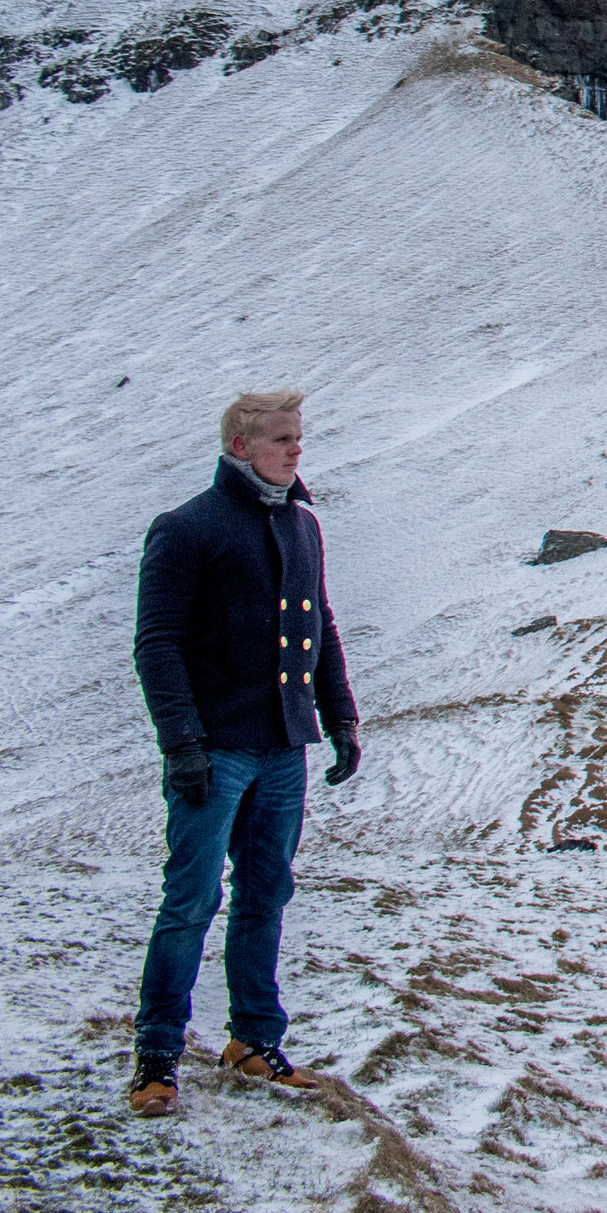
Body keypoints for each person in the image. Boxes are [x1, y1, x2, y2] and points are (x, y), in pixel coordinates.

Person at [126, 389, 363, 1117]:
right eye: (282, 439)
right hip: (214, 752)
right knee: (192, 899)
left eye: (298, 438)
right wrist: (183, 743)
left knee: (266, 896)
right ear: (241, 447)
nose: (296, 450)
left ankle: (253, 1041)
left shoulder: (304, 528)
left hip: (282, 749)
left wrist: (342, 719)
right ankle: (157, 1056)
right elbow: (156, 646)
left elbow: (318, 624)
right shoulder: (186, 528)